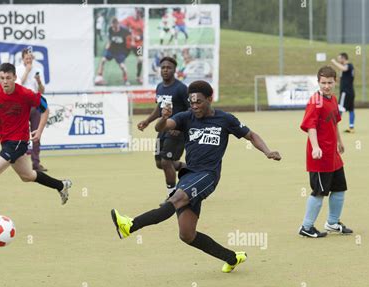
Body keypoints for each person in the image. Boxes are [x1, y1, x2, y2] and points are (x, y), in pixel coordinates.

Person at [112, 80, 281, 272]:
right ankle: (232, 258)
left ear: (210, 99)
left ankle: (130, 225)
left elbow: (251, 135)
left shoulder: (226, 119)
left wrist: (267, 152)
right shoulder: (186, 117)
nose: (194, 106)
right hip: (189, 175)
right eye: (191, 102)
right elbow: (161, 127)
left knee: (175, 198)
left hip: (208, 175)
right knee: (187, 234)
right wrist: (162, 117)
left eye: (198, 102)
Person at [0, 63, 72, 230]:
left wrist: (40, 130)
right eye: (2, 78)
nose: (5, 82)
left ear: (15, 77)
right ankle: (61, 185)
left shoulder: (25, 93)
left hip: (18, 142)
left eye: (8, 78)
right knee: (27, 176)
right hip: (6, 142)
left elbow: (45, 109)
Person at [298, 66, 353, 238]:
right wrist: (315, 147)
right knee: (319, 192)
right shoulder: (315, 101)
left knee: (339, 188)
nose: (327, 86)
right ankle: (306, 227)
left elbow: (334, 122)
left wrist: (340, 142)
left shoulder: (333, 99)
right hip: (319, 156)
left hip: (333, 155)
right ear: (318, 82)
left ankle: (332, 222)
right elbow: (310, 127)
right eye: (323, 83)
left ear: (335, 82)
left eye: (330, 82)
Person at [137, 56, 189, 199]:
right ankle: (187, 169)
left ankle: (172, 195)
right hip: (163, 130)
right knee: (160, 163)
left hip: (176, 132)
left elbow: (192, 110)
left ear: (174, 70)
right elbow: (159, 108)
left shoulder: (181, 88)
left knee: (166, 161)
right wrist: (147, 121)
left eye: (169, 68)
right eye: (163, 68)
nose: (165, 70)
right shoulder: (159, 87)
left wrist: (181, 127)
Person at [16, 48, 47, 172]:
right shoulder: (17, 70)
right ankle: (20, 163)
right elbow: (17, 86)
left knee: (36, 134)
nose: (29, 60)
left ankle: (36, 163)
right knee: (20, 135)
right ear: (23, 58)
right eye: (26, 58)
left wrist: (39, 81)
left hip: (35, 105)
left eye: (30, 58)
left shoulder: (38, 70)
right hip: (22, 105)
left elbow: (41, 91)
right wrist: (27, 71)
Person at [95, 17, 131, 86]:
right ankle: (99, 77)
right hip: (112, 50)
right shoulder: (110, 29)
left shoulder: (125, 30)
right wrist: (107, 47)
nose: (114, 28)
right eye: (113, 26)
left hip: (126, 49)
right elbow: (110, 39)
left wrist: (129, 49)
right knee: (103, 60)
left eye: (115, 27)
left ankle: (129, 79)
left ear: (118, 24)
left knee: (139, 58)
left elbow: (132, 39)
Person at [331, 53, 355, 133]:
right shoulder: (345, 69)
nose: (338, 60)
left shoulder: (349, 65)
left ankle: (334, 126)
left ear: (344, 58)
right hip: (350, 91)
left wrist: (334, 62)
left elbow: (344, 68)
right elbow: (343, 79)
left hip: (346, 92)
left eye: (339, 58)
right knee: (350, 109)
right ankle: (351, 127)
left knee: (339, 108)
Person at [121, 8, 144, 85]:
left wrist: (139, 37)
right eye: (137, 12)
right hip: (128, 44)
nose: (138, 14)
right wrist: (128, 30)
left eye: (139, 13)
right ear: (134, 12)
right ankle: (125, 79)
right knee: (122, 60)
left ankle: (138, 77)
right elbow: (121, 25)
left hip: (138, 45)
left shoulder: (141, 22)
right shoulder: (128, 19)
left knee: (140, 59)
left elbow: (143, 34)